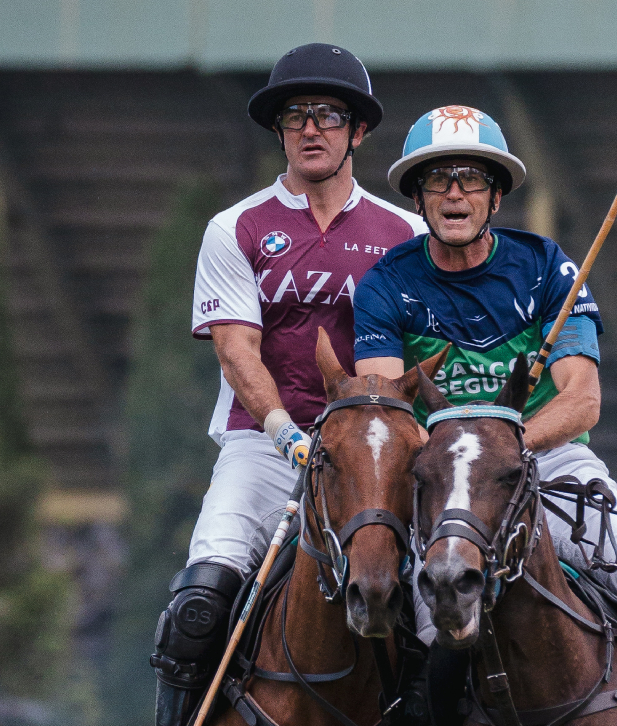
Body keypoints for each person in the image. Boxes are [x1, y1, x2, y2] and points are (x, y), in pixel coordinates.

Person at [353, 105, 617, 726]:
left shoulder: (547, 268)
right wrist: (460, 453)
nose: (456, 192)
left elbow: (582, 399)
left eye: (471, 177)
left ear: (496, 195)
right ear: (418, 194)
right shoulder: (387, 286)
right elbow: (386, 410)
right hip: (442, 484)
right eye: (439, 179)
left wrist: (503, 444)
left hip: (551, 463)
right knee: (423, 648)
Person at [150, 43, 425, 726]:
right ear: (279, 129)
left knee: (446, 600)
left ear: (357, 131)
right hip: (265, 449)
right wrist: (286, 434)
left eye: (328, 115)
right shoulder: (237, 227)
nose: (310, 128)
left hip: (374, 456)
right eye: (295, 114)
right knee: (198, 603)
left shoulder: (407, 235)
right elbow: (237, 350)